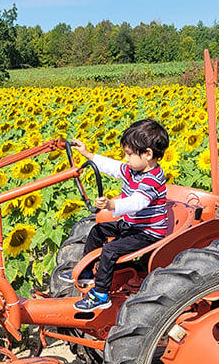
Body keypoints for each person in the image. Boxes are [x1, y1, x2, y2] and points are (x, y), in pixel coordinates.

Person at [61, 118, 170, 312]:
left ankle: (101, 295)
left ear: (148, 154)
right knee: (97, 230)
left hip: (147, 232)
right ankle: (86, 272)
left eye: (129, 154)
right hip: (132, 225)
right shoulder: (133, 170)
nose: (126, 159)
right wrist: (87, 153)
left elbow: (137, 202)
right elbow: (111, 166)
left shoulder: (153, 179)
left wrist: (112, 204)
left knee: (110, 250)